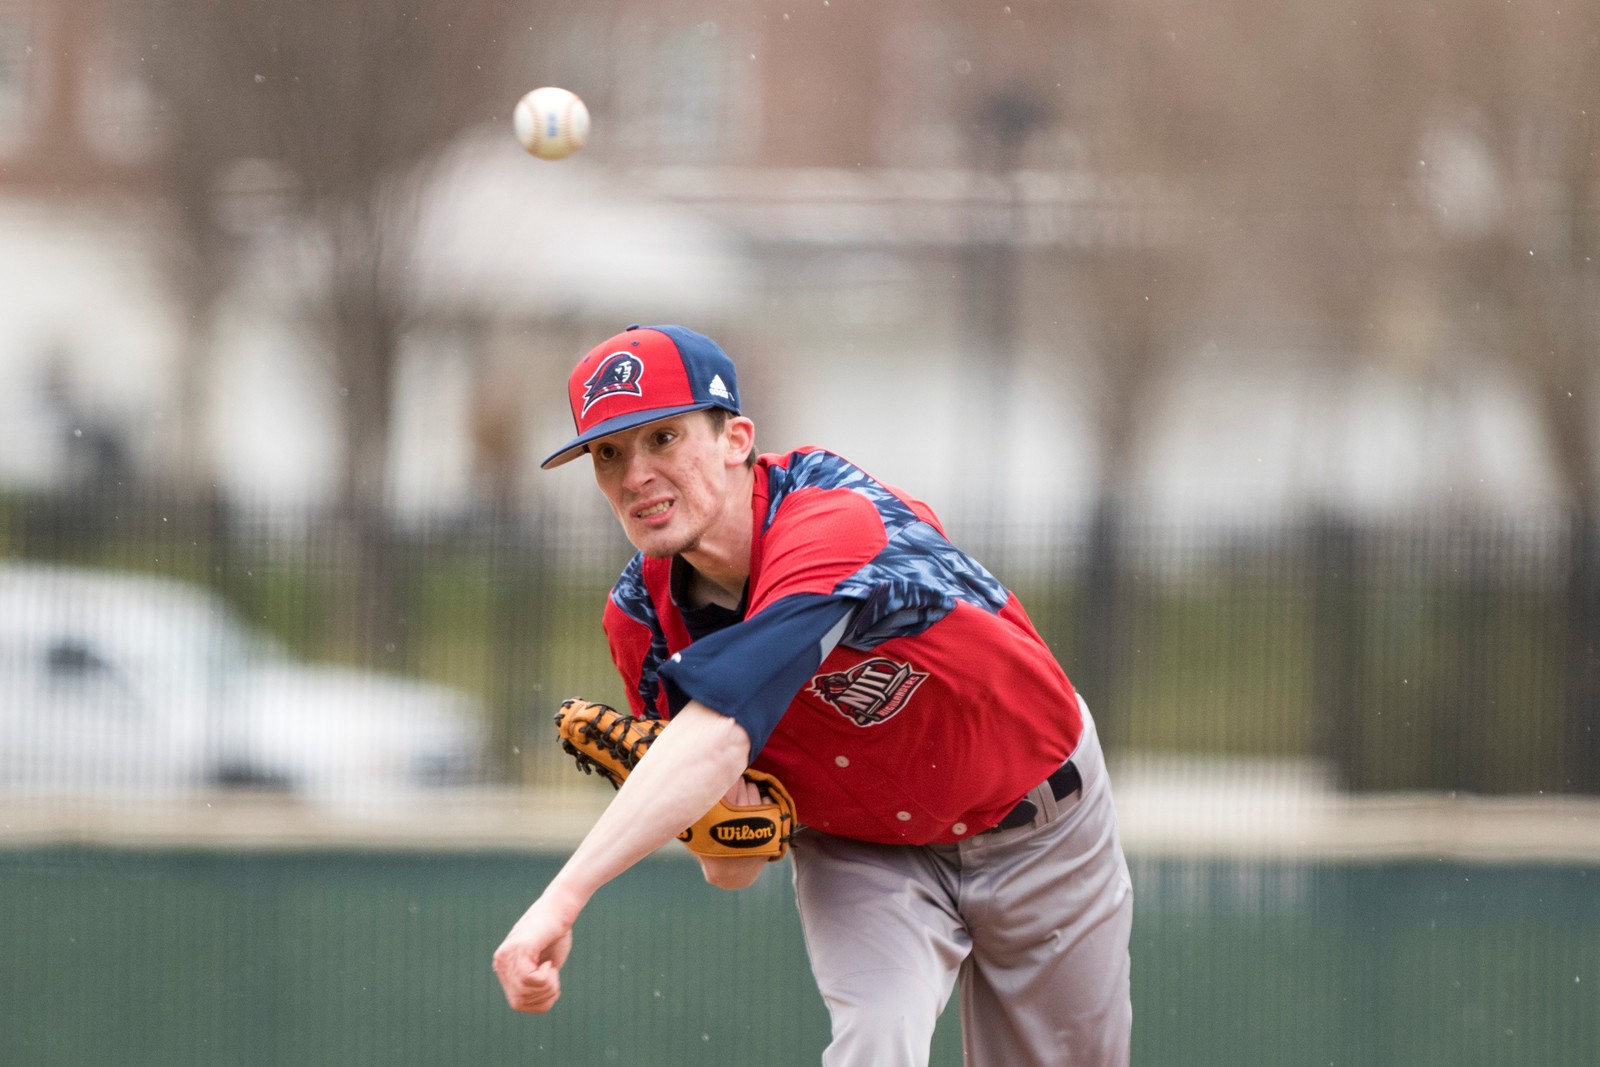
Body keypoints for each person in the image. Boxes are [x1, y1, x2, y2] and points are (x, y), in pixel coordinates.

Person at [493, 324, 1133, 1067]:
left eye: (662, 438)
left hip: (1042, 827)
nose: (634, 474)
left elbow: (723, 727)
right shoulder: (642, 619)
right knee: (874, 1043)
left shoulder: (834, 519)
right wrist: (718, 815)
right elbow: (730, 865)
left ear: (736, 438)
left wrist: (562, 897)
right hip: (862, 849)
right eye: (608, 453)